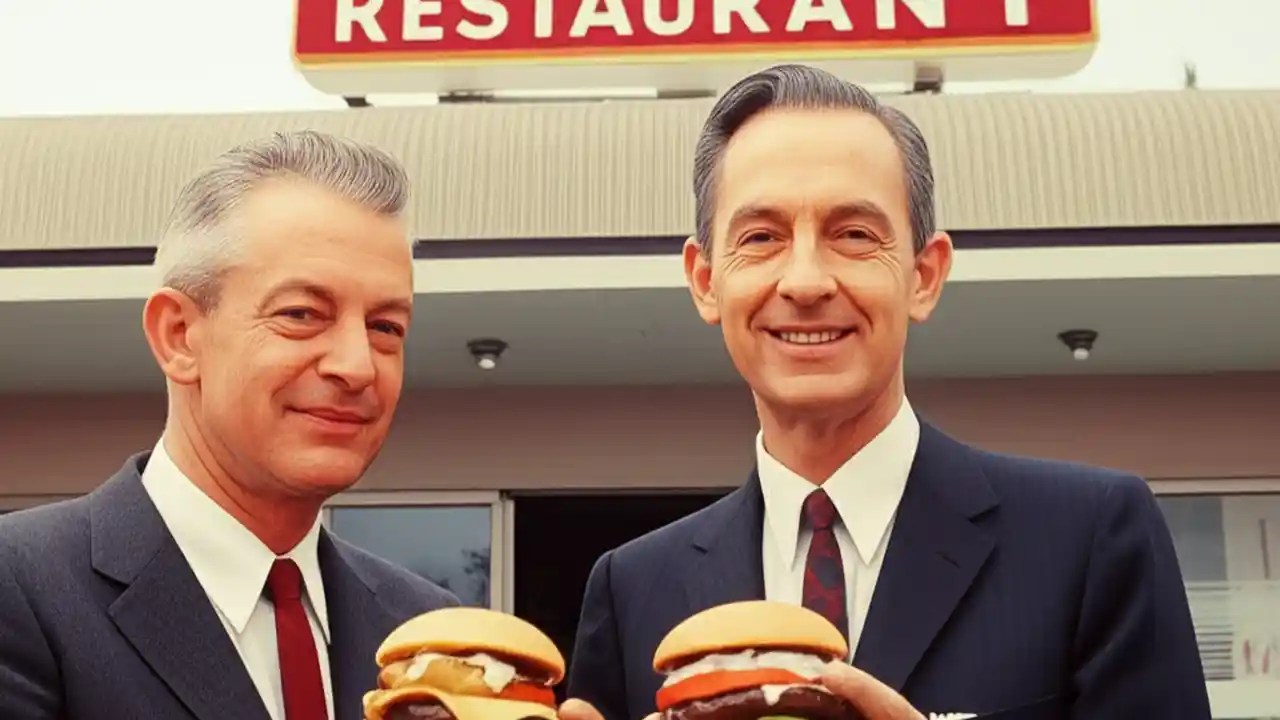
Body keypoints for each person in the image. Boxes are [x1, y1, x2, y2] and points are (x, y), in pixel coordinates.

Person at [563, 65, 1211, 719]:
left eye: (853, 235)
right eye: (761, 238)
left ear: (924, 275)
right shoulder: (632, 589)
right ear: (705, 280)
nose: (807, 282)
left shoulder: (1091, 538)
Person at [0, 131, 457, 720]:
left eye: (386, 327)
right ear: (179, 335)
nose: (356, 365)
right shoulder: (22, 590)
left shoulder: (424, 630)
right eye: (301, 314)